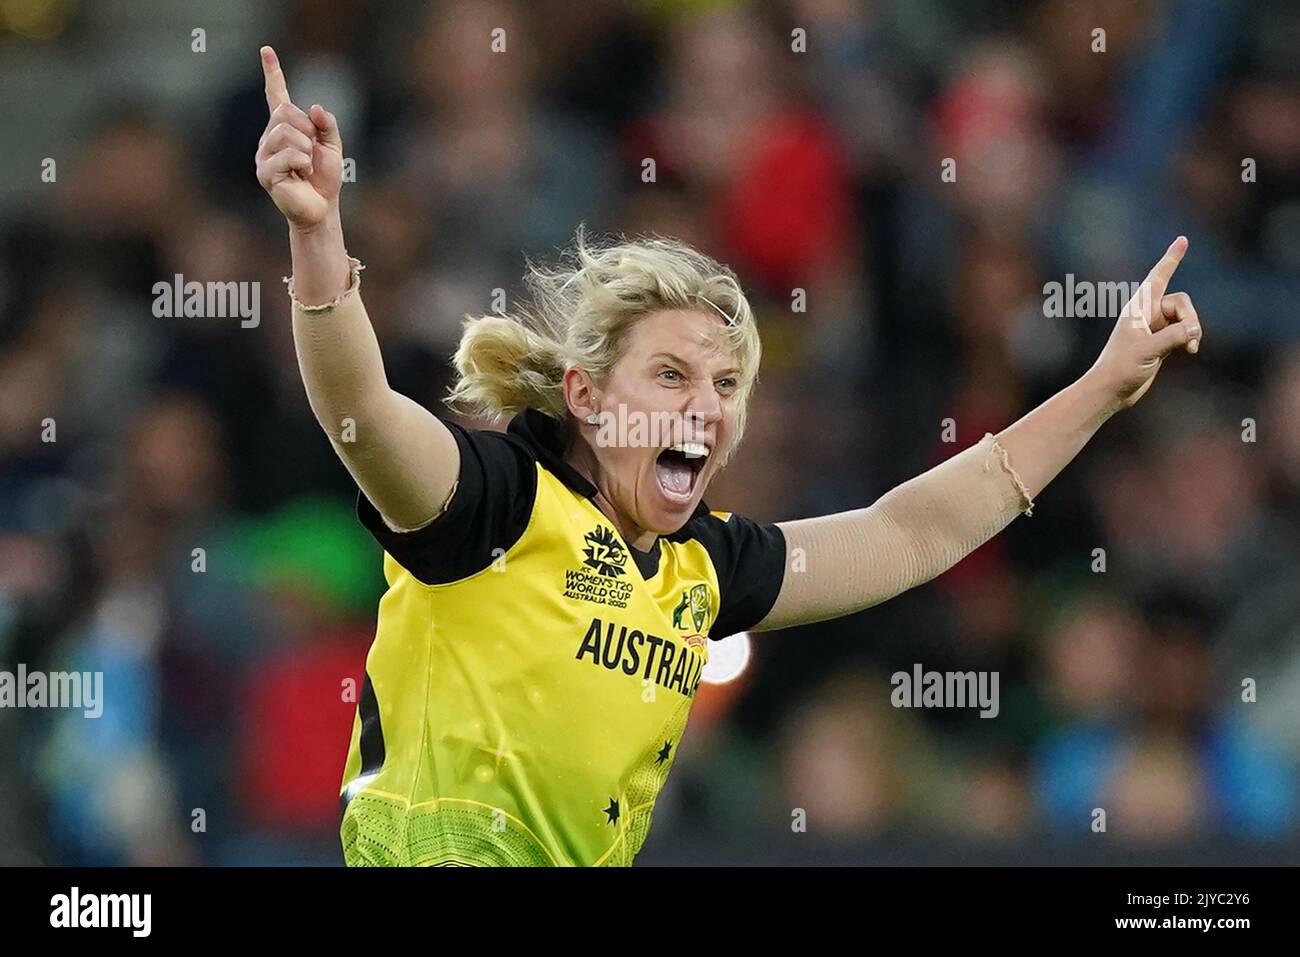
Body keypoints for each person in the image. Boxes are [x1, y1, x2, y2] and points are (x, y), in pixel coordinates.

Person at [254, 46, 1205, 866]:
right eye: (670, 375)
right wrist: (315, 231)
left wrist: (1100, 388)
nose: (705, 408)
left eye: (723, 387)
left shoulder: (704, 568)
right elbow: (365, 418)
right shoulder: (498, 503)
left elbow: (910, 532)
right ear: (585, 396)